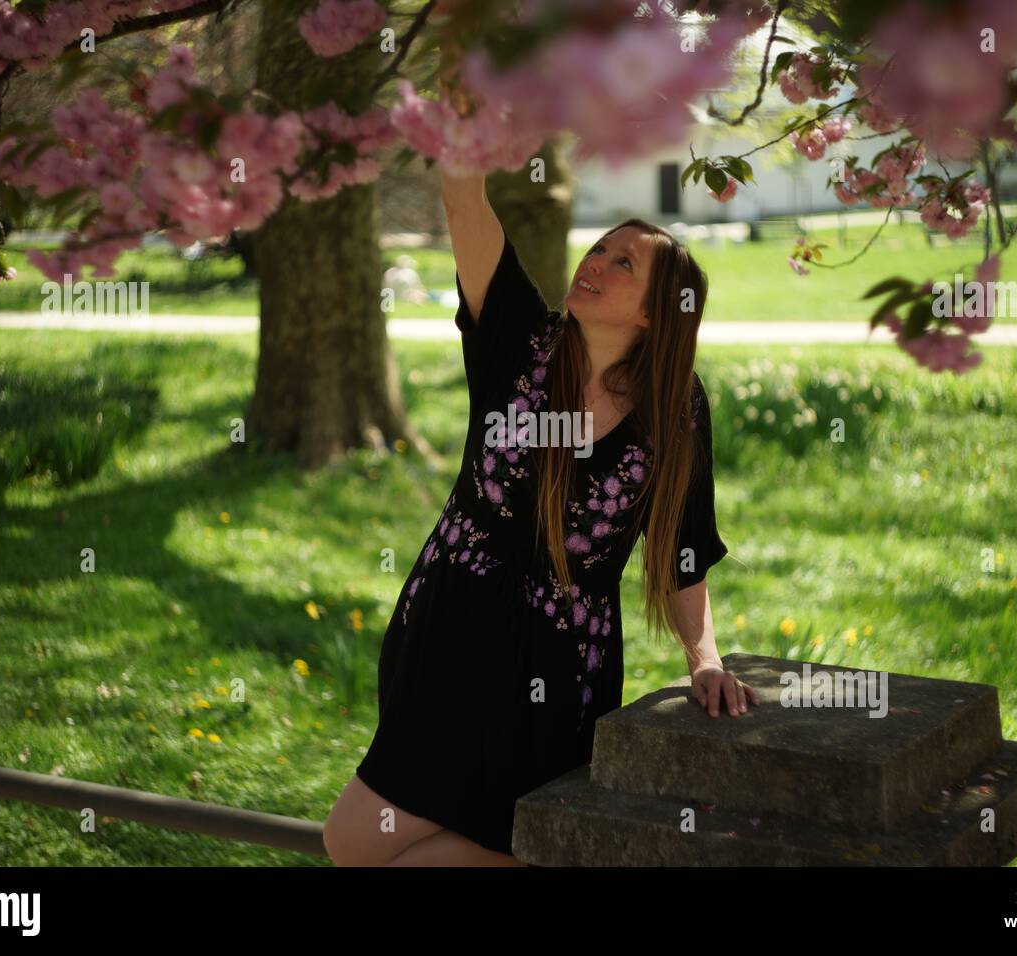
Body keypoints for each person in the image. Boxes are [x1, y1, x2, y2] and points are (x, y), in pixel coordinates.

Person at [321, 166, 757, 866]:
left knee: (518, 829)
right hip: (450, 629)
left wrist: (703, 658)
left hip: (562, 660)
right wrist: (465, 152)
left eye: (624, 264)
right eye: (600, 248)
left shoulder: (676, 407)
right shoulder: (518, 335)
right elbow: (465, 203)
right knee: (353, 840)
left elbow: (682, 548)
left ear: (653, 311)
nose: (597, 263)